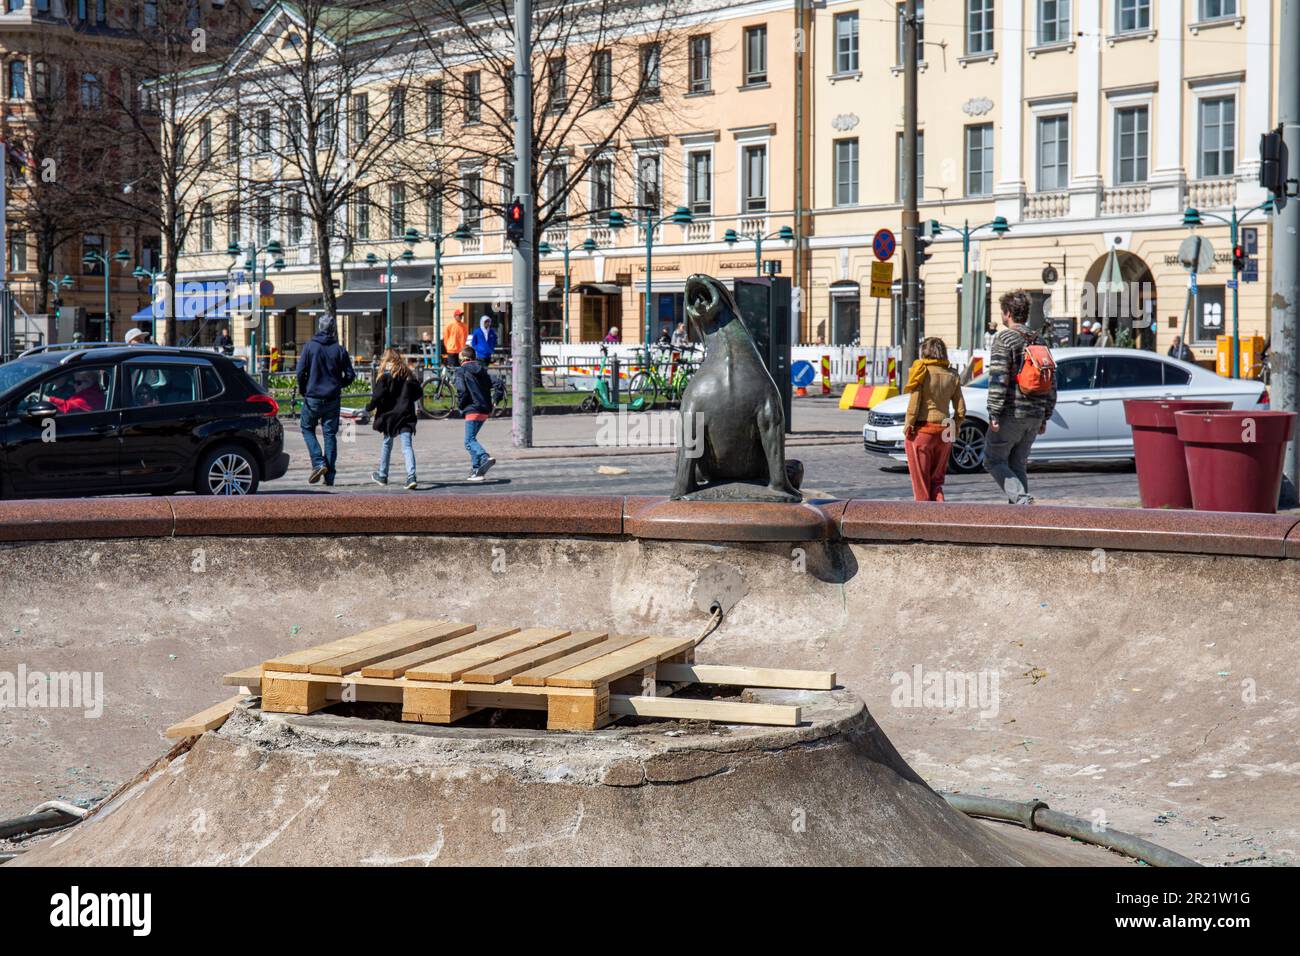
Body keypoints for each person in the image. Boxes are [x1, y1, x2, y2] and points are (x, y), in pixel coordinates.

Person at [985, 289, 1057, 506]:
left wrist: (994, 412)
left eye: (1002, 311)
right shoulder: (1039, 340)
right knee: (1017, 464)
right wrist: (1045, 415)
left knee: (993, 459)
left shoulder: (1004, 338)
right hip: (1035, 414)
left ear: (1008, 313)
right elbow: (1051, 381)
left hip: (1012, 412)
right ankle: (1021, 518)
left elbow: (998, 377)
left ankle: (1023, 502)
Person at [903, 336, 965, 503]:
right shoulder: (952, 374)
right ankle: (940, 512)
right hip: (945, 431)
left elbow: (914, 404)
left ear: (924, 351)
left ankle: (924, 515)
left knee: (921, 483)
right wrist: (956, 427)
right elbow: (961, 409)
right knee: (937, 481)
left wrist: (908, 425)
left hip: (923, 429)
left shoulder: (921, 371)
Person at [296, 314, 355, 486]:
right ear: (333, 330)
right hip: (332, 398)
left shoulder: (310, 347)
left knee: (307, 428)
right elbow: (350, 375)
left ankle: (318, 462)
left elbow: (300, 372)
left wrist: (304, 389)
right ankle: (329, 476)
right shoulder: (339, 349)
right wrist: (338, 384)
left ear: (319, 327)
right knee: (330, 435)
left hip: (313, 397)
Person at [366, 348, 422, 491]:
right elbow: (418, 393)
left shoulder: (385, 376)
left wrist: (368, 408)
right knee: (407, 447)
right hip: (406, 415)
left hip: (390, 417)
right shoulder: (408, 375)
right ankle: (411, 476)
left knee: (387, 444)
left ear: (386, 360)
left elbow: (377, 396)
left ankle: (383, 475)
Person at [456, 346, 496, 481]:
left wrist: (461, 406)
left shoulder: (461, 371)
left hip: (472, 409)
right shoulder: (482, 370)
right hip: (485, 410)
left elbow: (462, 391)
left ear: (463, 358)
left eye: (459, 358)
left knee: (469, 441)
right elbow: (497, 383)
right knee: (472, 439)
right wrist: (496, 399)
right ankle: (476, 470)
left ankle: (484, 457)